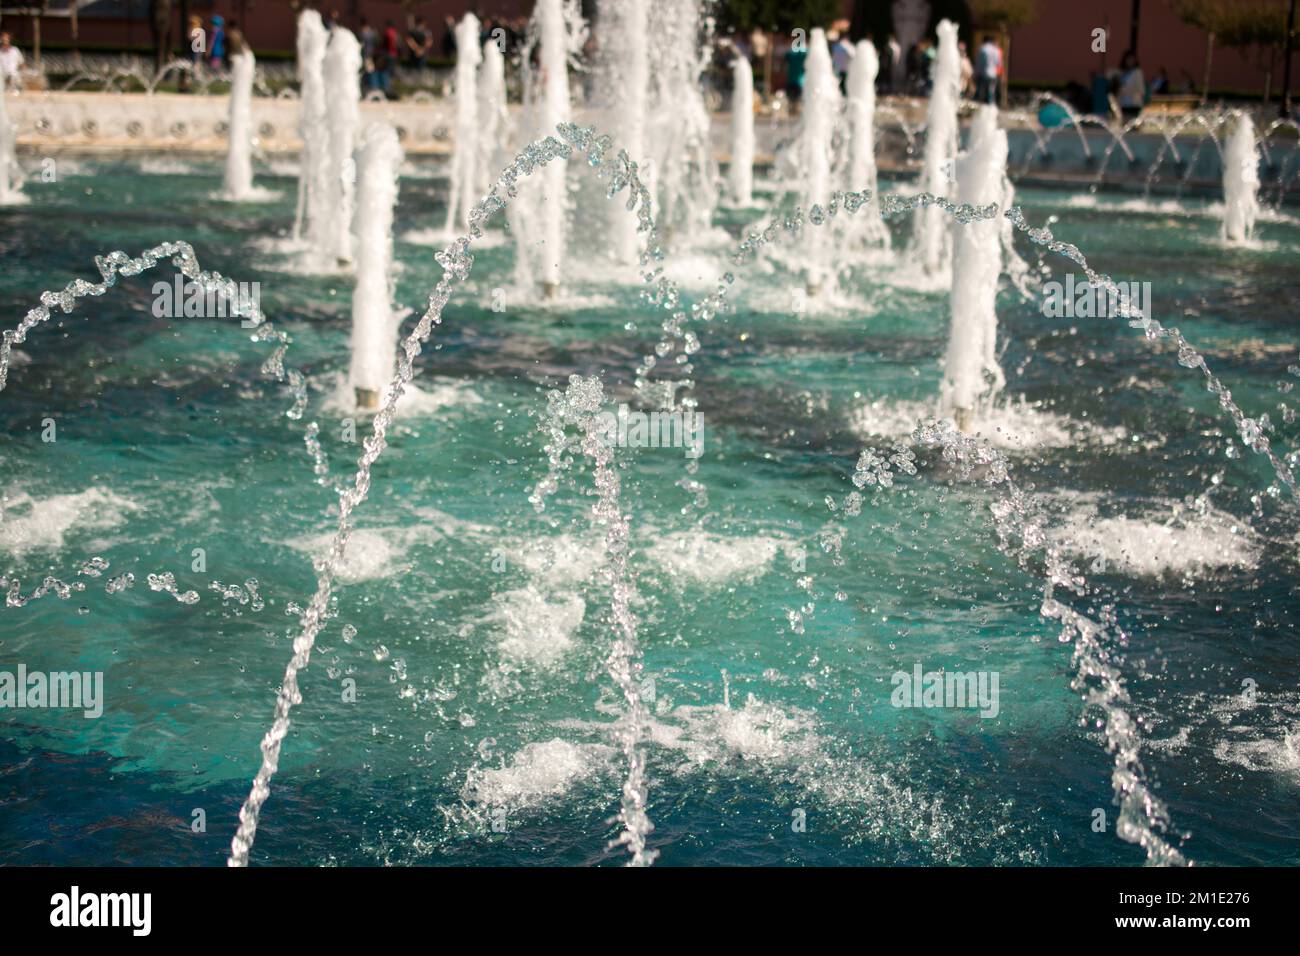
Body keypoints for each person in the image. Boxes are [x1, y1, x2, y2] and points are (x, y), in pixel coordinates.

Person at [1117, 50, 1145, 119]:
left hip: (1134, 104)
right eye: (1128, 59)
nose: (1130, 61)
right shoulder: (1122, 73)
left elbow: (1141, 89)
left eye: (1132, 59)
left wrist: (1126, 90)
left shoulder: (1137, 72)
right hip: (1123, 103)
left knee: (1133, 125)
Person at [975, 34, 1001, 104]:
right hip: (993, 74)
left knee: (980, 92)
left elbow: (979, 63)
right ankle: (991, 107)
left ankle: (979, 108)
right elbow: (998, 63)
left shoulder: (982, 49)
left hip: (983, 73)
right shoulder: (996, 50)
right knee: (991, 92)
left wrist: (976, 72)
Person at [783, 37, 806, 112]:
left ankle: (791, 112)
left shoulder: (791, 53)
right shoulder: (804, 53)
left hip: (790, 79)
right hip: (800, 81)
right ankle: (796, 113)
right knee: (798, 100)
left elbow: (784, 61)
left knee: (790, 100)